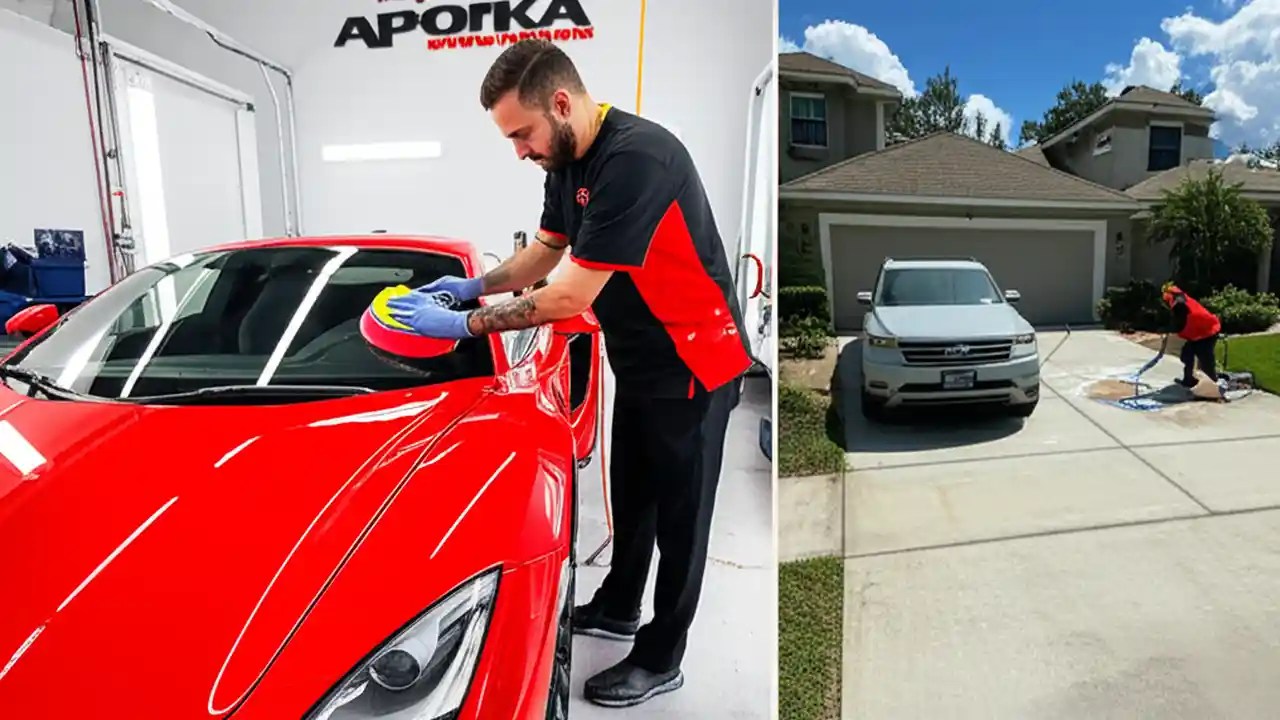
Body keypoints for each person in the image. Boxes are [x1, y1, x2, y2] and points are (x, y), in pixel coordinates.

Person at [384, 39, 754, 707]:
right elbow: (544, 254)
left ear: (560, 103)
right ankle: (618, 606)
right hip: (640, 360)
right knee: (632, 497)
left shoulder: (638, 159)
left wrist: (466, 324)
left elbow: (567, 295)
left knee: (682, 521)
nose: (519, 150)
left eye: (521, 133)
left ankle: (661, 657)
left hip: (695, 362)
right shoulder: (563, 159)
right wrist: (472, 286)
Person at [1162, 282, 1222, 388]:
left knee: (1205, 359)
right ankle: (1189, 380)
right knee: (1187, 354)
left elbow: (1180, 325)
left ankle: (1211, 386)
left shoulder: (1181, 307)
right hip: (1198, 333)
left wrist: (1169, 328)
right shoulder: (1180, 300)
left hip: (1208, 332)